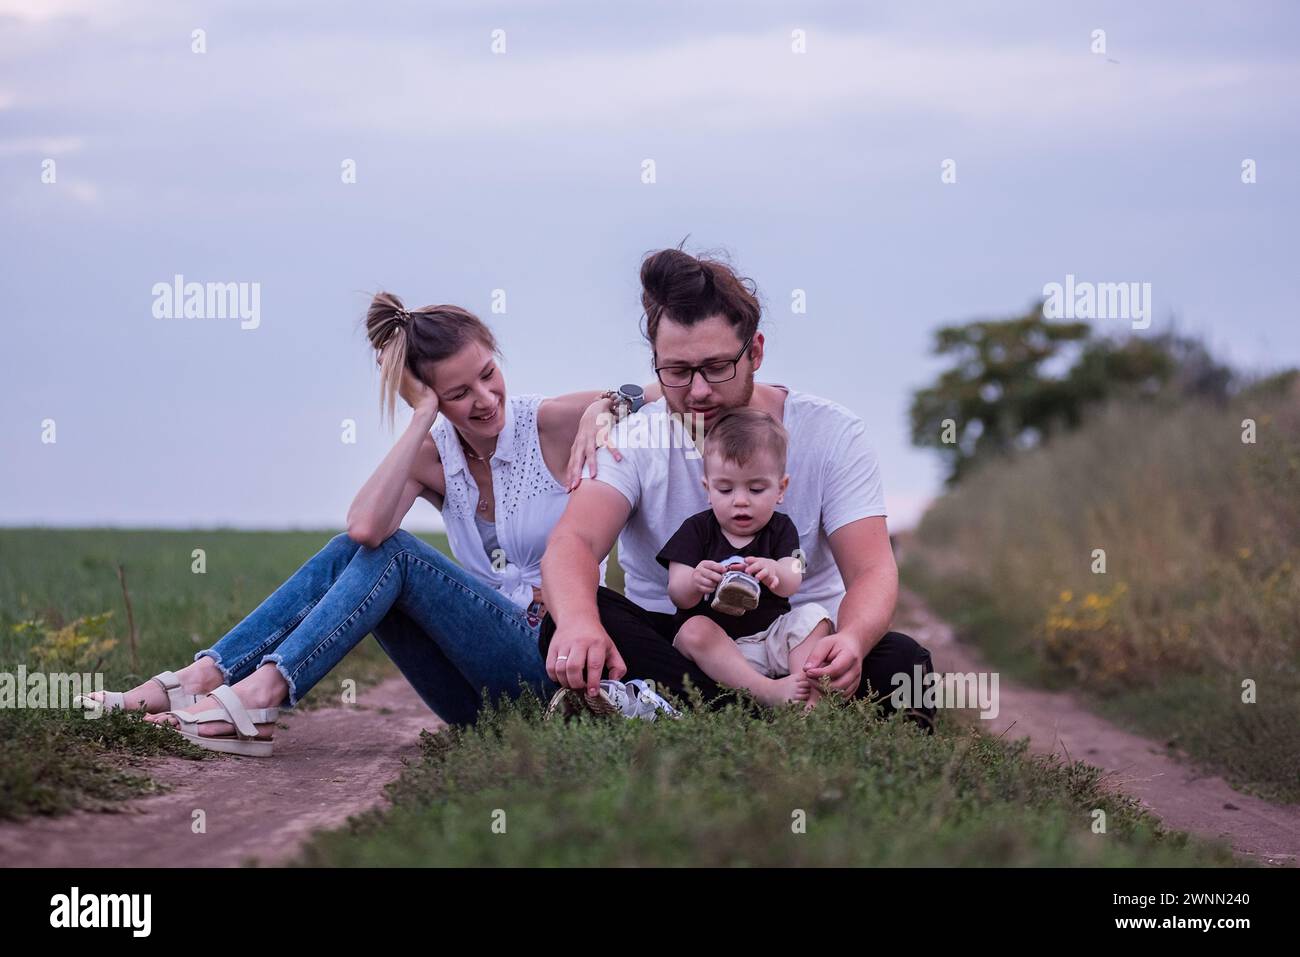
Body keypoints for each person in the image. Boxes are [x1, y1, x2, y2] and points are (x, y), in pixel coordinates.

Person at [81, 291, 659, 754]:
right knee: (359, 549)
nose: (485, 399)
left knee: (399, 556)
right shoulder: (435, 452)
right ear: (429, 395)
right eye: (458, 392)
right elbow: (363, 528)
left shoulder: (552, 421)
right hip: (473, 692)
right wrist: (423, 420)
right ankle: (203, 677)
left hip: (550, 657)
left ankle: (258, 691)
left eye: (488, 374)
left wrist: (616, 403)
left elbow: (665, 391)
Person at [540, 247, 936, 728]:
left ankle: (684, 715)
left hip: (801, 647)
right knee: (569, 616)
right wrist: (580, 624)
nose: (699, 391)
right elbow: (573, 543)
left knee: (904, 662)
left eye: (717, 367)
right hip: (681, 643)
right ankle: (773, 719)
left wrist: (850, 641)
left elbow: (873, 568)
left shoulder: (833, 433)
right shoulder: (633, 435)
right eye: (678, 372)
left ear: (757, 352)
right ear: (656, 365)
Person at [658, 407, 833, 707]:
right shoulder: (697, 529)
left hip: (772, 639)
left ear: (781, 488)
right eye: (725, 489)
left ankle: (809, 703)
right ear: (708, 489)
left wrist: (775, 570)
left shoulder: (781, 528)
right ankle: (766, 692)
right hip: (725, 653)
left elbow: (793, 578)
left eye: (756, 488)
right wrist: (696, 580)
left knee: (815, 617)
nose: (740, 501)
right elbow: (678, 594)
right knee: (692, 630)